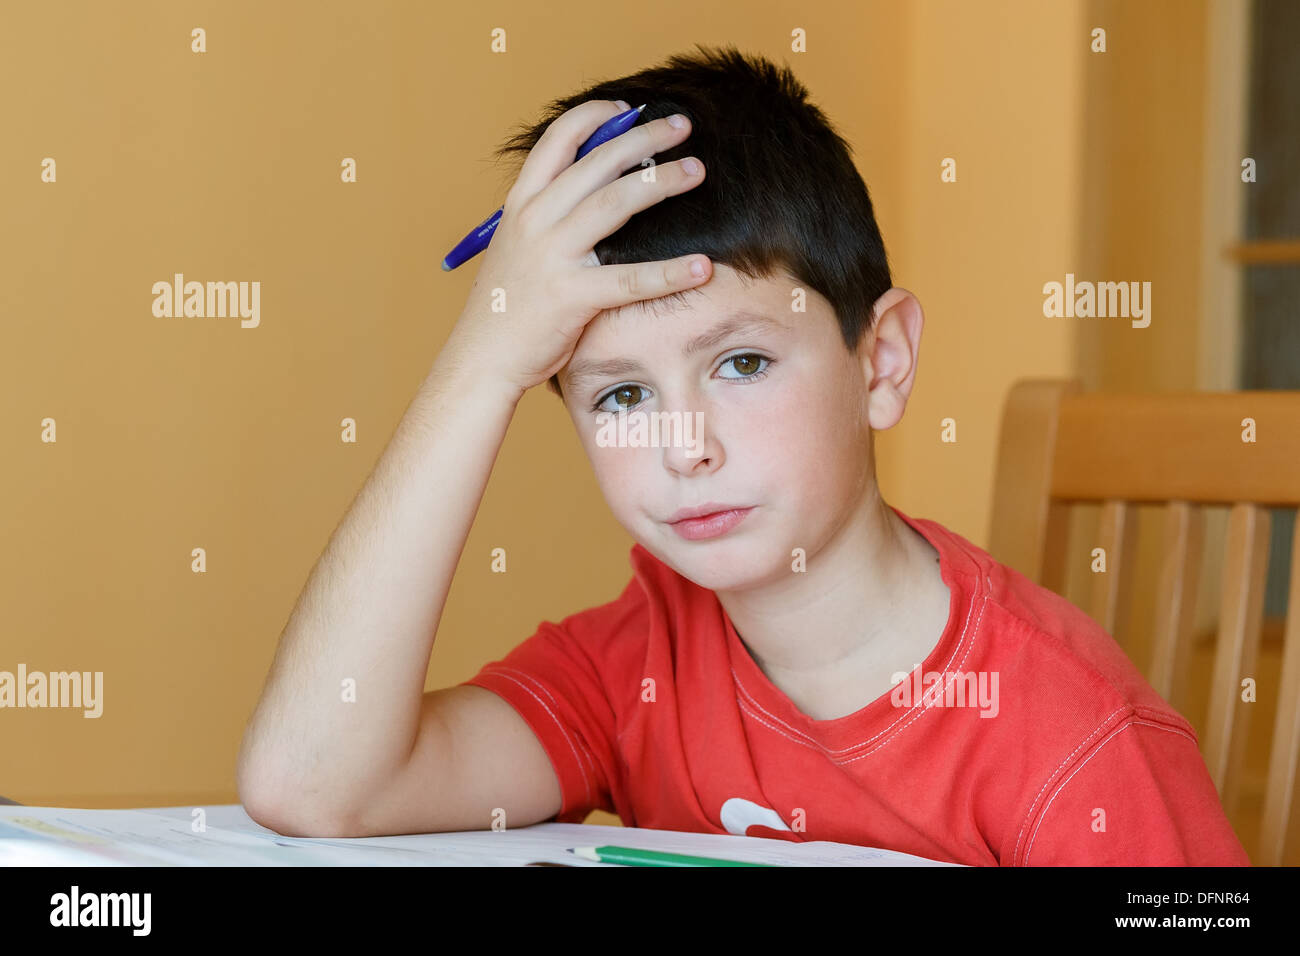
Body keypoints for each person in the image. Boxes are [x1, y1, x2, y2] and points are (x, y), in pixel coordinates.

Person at [236, 45, 1250, 865]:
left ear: (881, 360)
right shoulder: (634, 666)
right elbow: (313, 784)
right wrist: (483, 361)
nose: (685, 445)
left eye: (744, 361)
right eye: (622, 393)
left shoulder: (1072, 737)